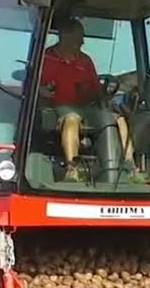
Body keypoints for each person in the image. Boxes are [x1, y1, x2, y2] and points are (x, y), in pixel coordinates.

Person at [38, 16, 133, 182]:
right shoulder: (46, 58)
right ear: (65, 37)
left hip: (87, 107)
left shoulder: (85, 61)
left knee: (119, 119)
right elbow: (34, 85)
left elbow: (96, 90)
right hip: (60, 106)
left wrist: (105, 92)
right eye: (79, 38)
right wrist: (42, 90)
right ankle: (72, 169)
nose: (82, 42)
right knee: (72, 118)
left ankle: (130, 166)